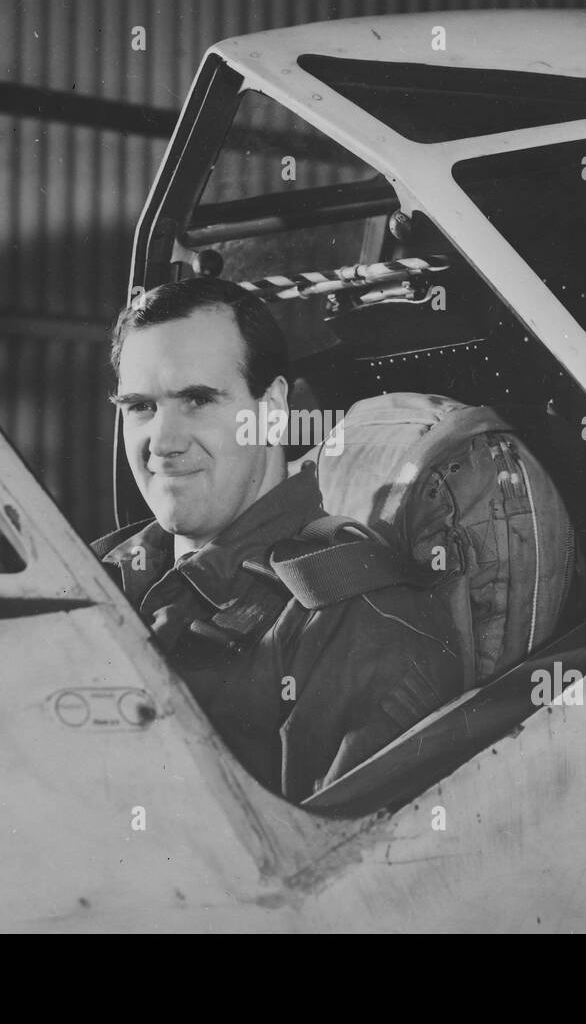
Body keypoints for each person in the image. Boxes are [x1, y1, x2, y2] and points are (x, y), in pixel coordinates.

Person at [93, 277, 461, 803]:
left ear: (272, 409)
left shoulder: (355, 631)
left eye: (197, 399)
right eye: (140, 407)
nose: (164, 443)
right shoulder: (99, 573)